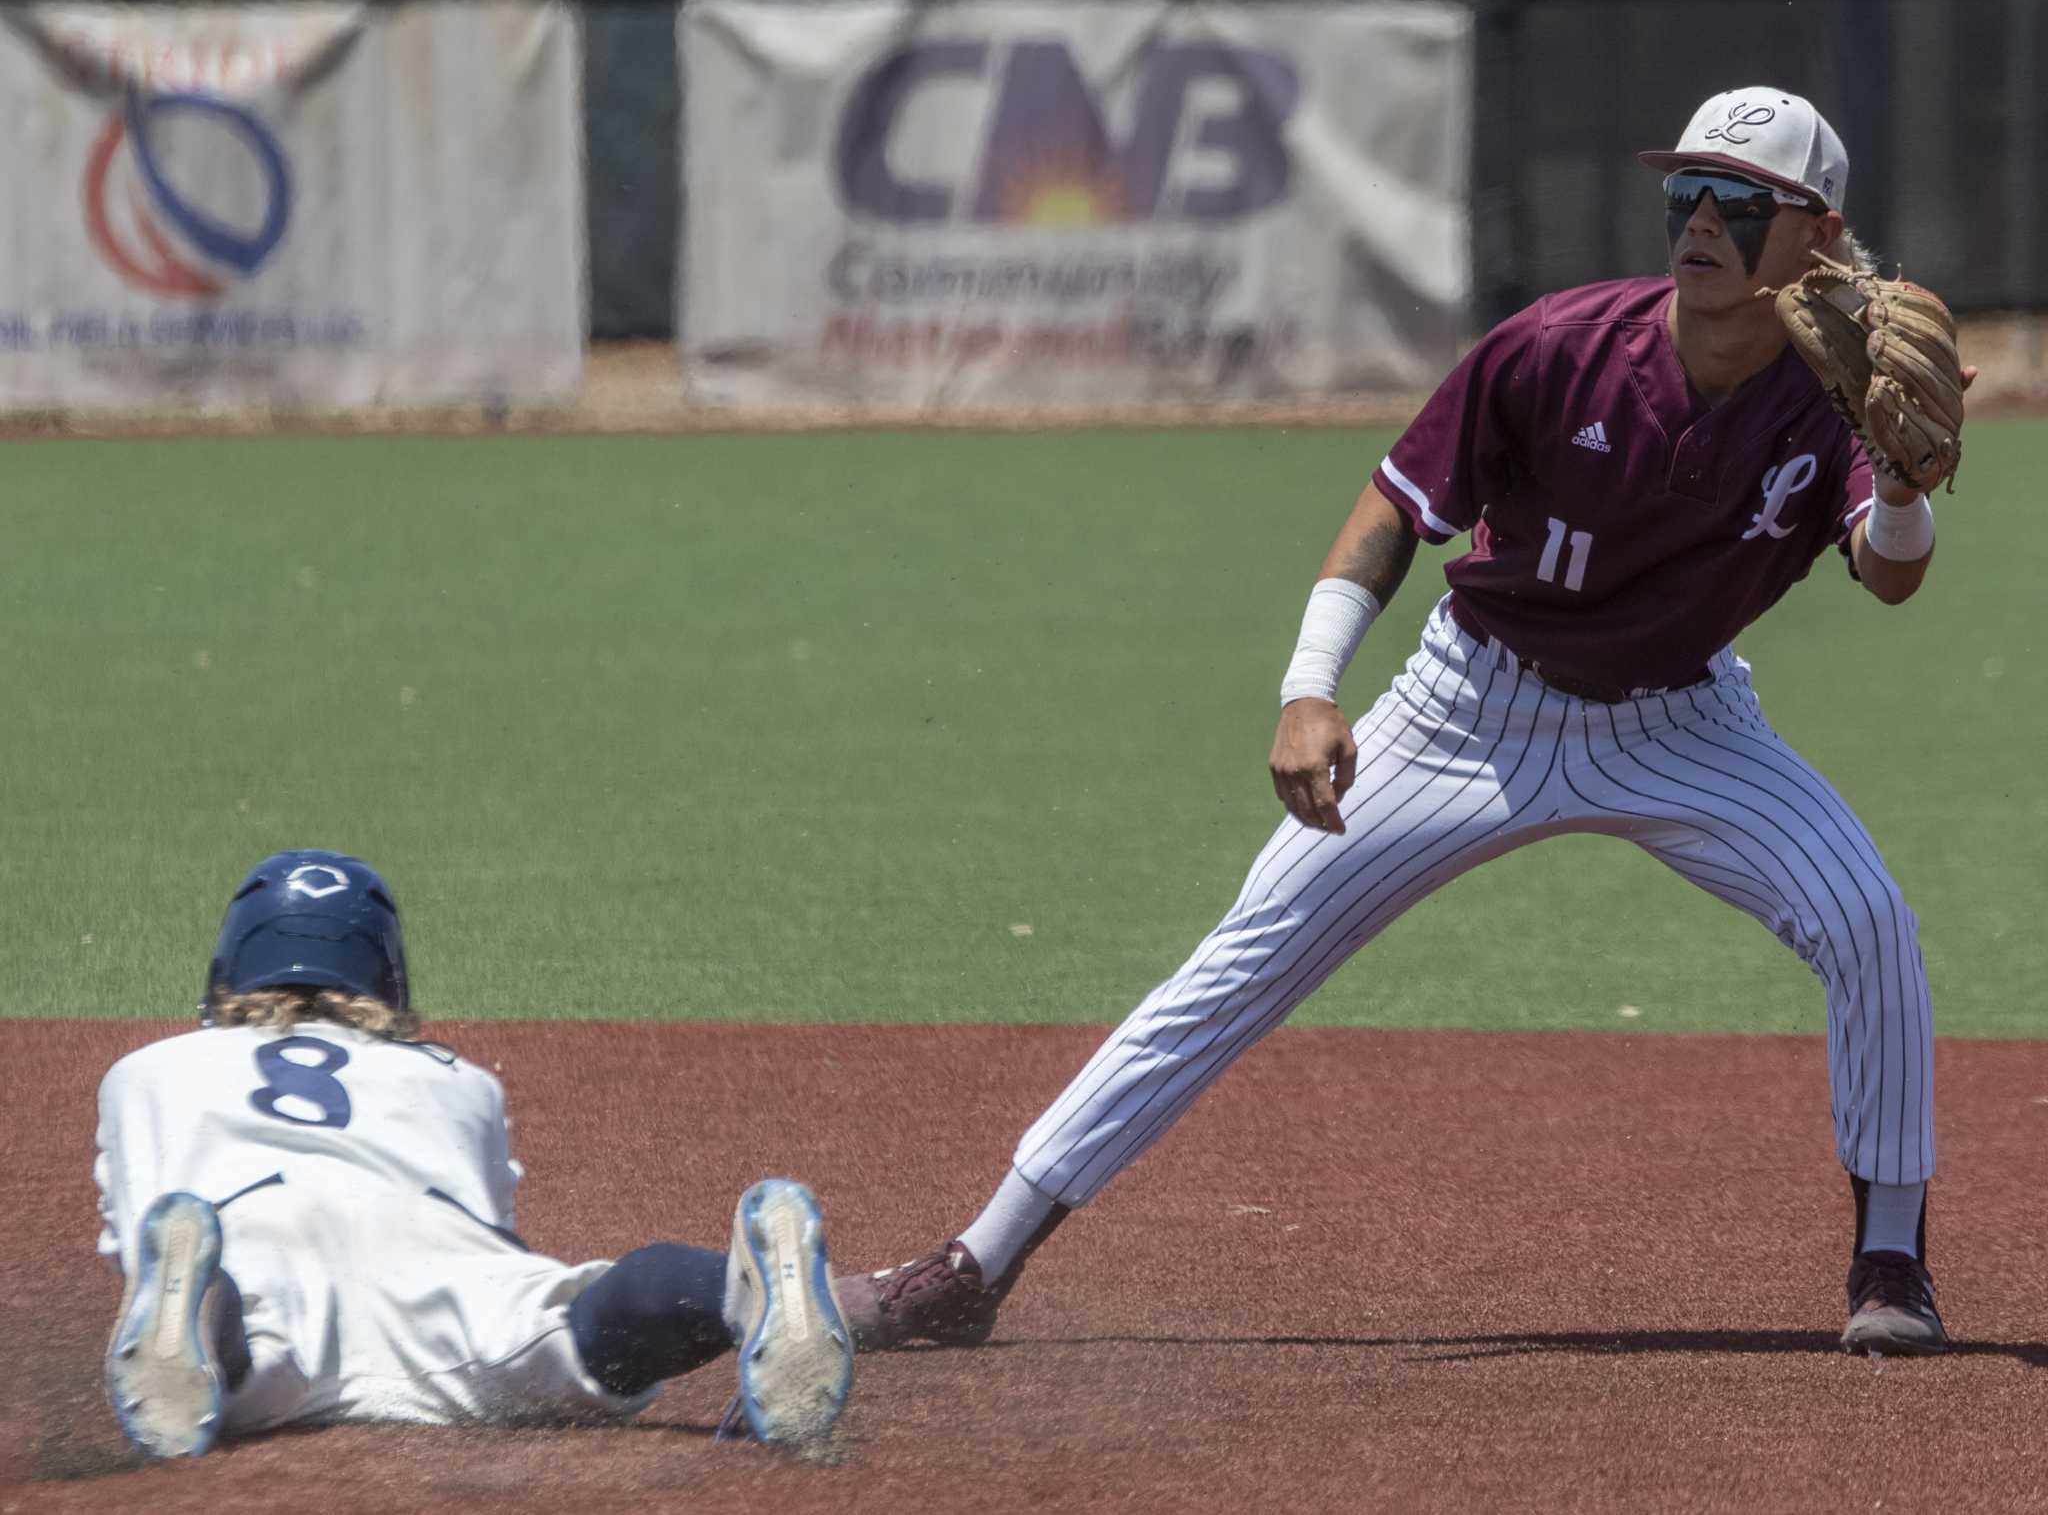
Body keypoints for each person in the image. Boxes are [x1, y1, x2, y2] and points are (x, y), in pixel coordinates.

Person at [838, 87, 1971, 1360]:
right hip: (1469, 707)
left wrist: (1903, 488)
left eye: (1739, 201)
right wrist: (1307, 687)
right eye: (1683, 193)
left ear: (1817, 233)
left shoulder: (1837, 389)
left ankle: (1889, 1261)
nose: (1699, 221)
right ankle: (973, 1263)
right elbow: (1393, 507)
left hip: (1681, 720)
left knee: (1868, 922)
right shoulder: (1555, 348)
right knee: (1241, 960)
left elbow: (1889, 574)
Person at [98, 848, 854, 1459]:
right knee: (577, 1336)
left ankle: (205, 1302)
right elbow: (491, 1222)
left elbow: (131, 1236)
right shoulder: (459, 1078)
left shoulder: (148, 1071)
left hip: (255, 1236)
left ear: (228, 968)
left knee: (240, 1352)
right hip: (437, 1247)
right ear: (387, 977)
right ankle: (730, 1286)